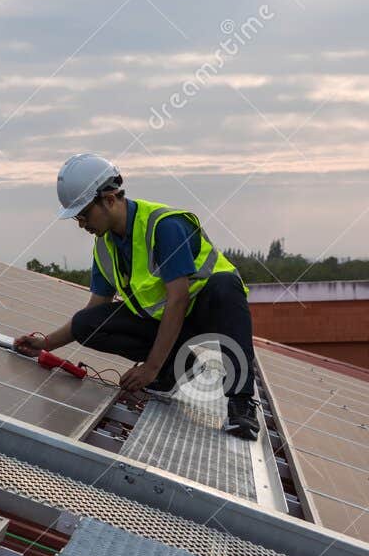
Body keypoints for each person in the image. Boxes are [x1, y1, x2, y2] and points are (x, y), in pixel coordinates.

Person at [16, 153, 262, 439]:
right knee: (87, 323)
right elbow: (96, 308)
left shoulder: (163, 226)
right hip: (170, 328)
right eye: (77, 218)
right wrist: (46, 343)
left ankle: (242, 403)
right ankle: (175, 369)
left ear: (109, 199)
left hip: (208, 317)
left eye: (84, 214)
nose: (82, 224)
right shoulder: (105, 246)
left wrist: (149, 368)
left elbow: (178, 299)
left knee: (225, 285)